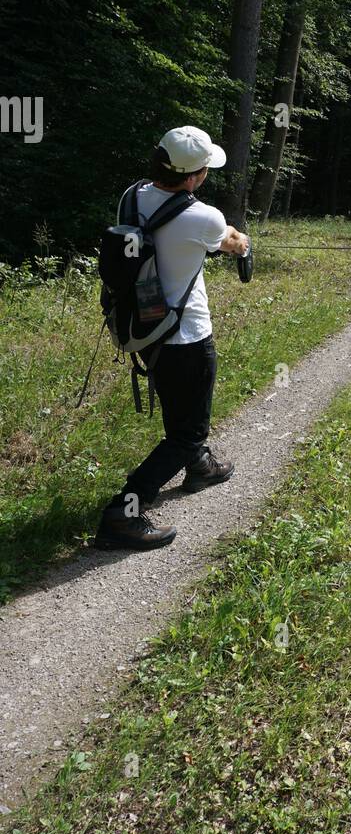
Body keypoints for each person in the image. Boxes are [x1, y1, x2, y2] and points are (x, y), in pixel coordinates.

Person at [94, 126, 249, 551]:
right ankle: (121, 514)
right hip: (186, 336)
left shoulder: (134, 194)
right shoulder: (205, 218)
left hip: (146, 327)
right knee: (187, 431)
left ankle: (200, 467)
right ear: (193, 176)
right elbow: (232, 242)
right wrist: (242, 241)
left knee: (180, 407)